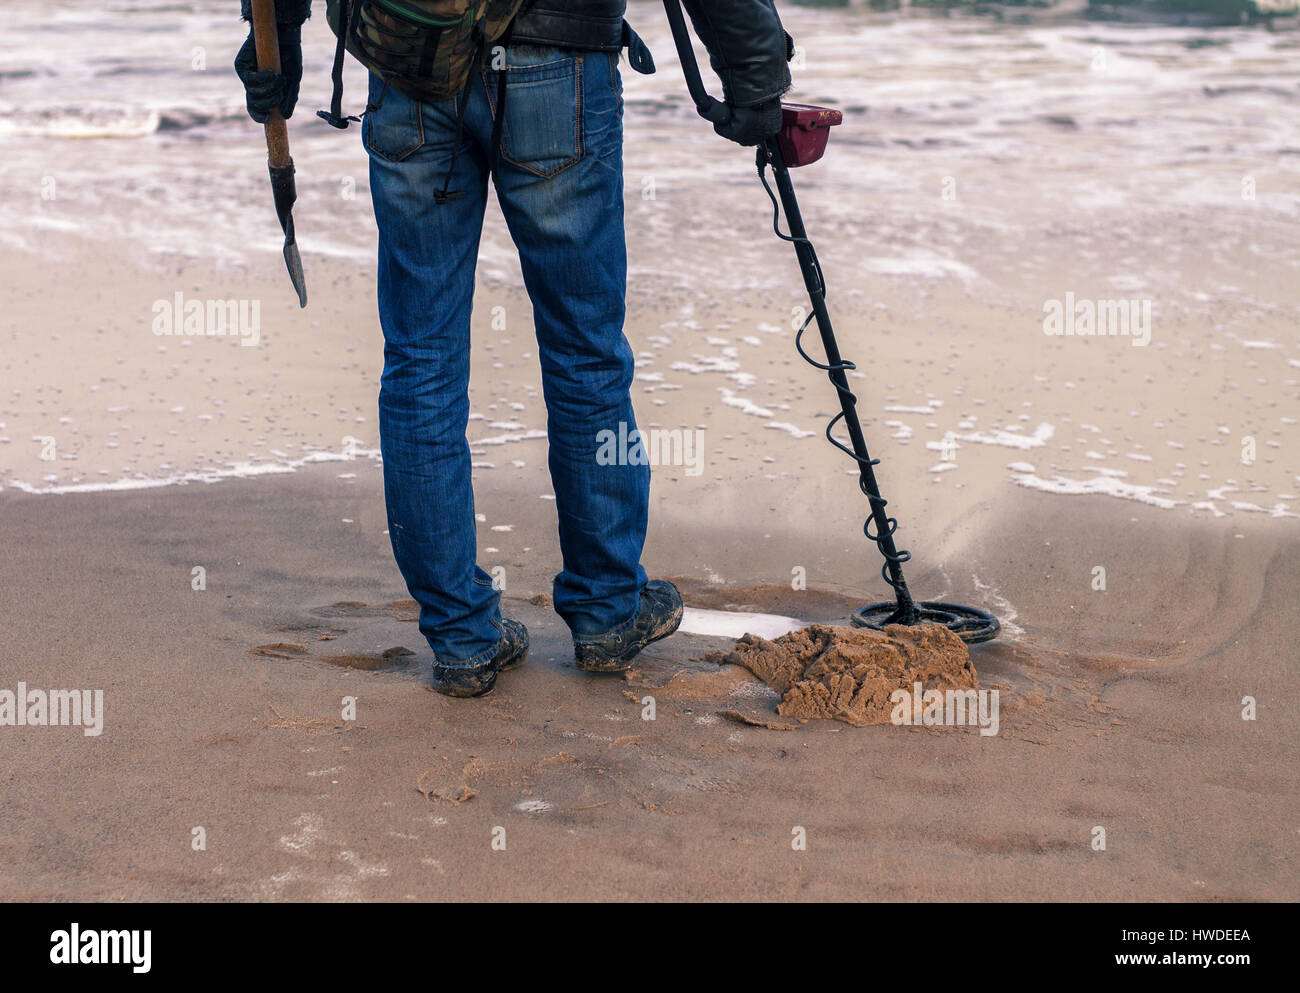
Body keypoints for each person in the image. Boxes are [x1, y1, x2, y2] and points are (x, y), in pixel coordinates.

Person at [236, 0, 792, 697]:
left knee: (421, 359)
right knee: (585, 350)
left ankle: (462, 636)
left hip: (413, 63)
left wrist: (274, 45)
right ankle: (606, 611)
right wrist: (754, 72)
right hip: (557, 64)